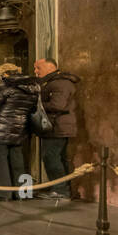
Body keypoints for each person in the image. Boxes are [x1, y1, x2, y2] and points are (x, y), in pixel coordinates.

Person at [0, 62, 40, 201]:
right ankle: (22, 193)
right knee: (18, 162)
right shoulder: (32, 88)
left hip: (0, 131)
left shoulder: (4, 87)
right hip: (19, 130)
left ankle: (2, 194)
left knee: (0, 162)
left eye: (1, 75)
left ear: (5, 74)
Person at [33, 58, 80, 200]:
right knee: (56, 158)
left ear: (49, 67)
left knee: (51, 158)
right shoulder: (55, 82)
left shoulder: (60, 83)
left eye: (38, 68)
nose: (35, 72)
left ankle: (61, 190)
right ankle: (61, 188)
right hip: (56, 126)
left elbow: (58, 105)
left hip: (57, 127)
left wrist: (37, 105)